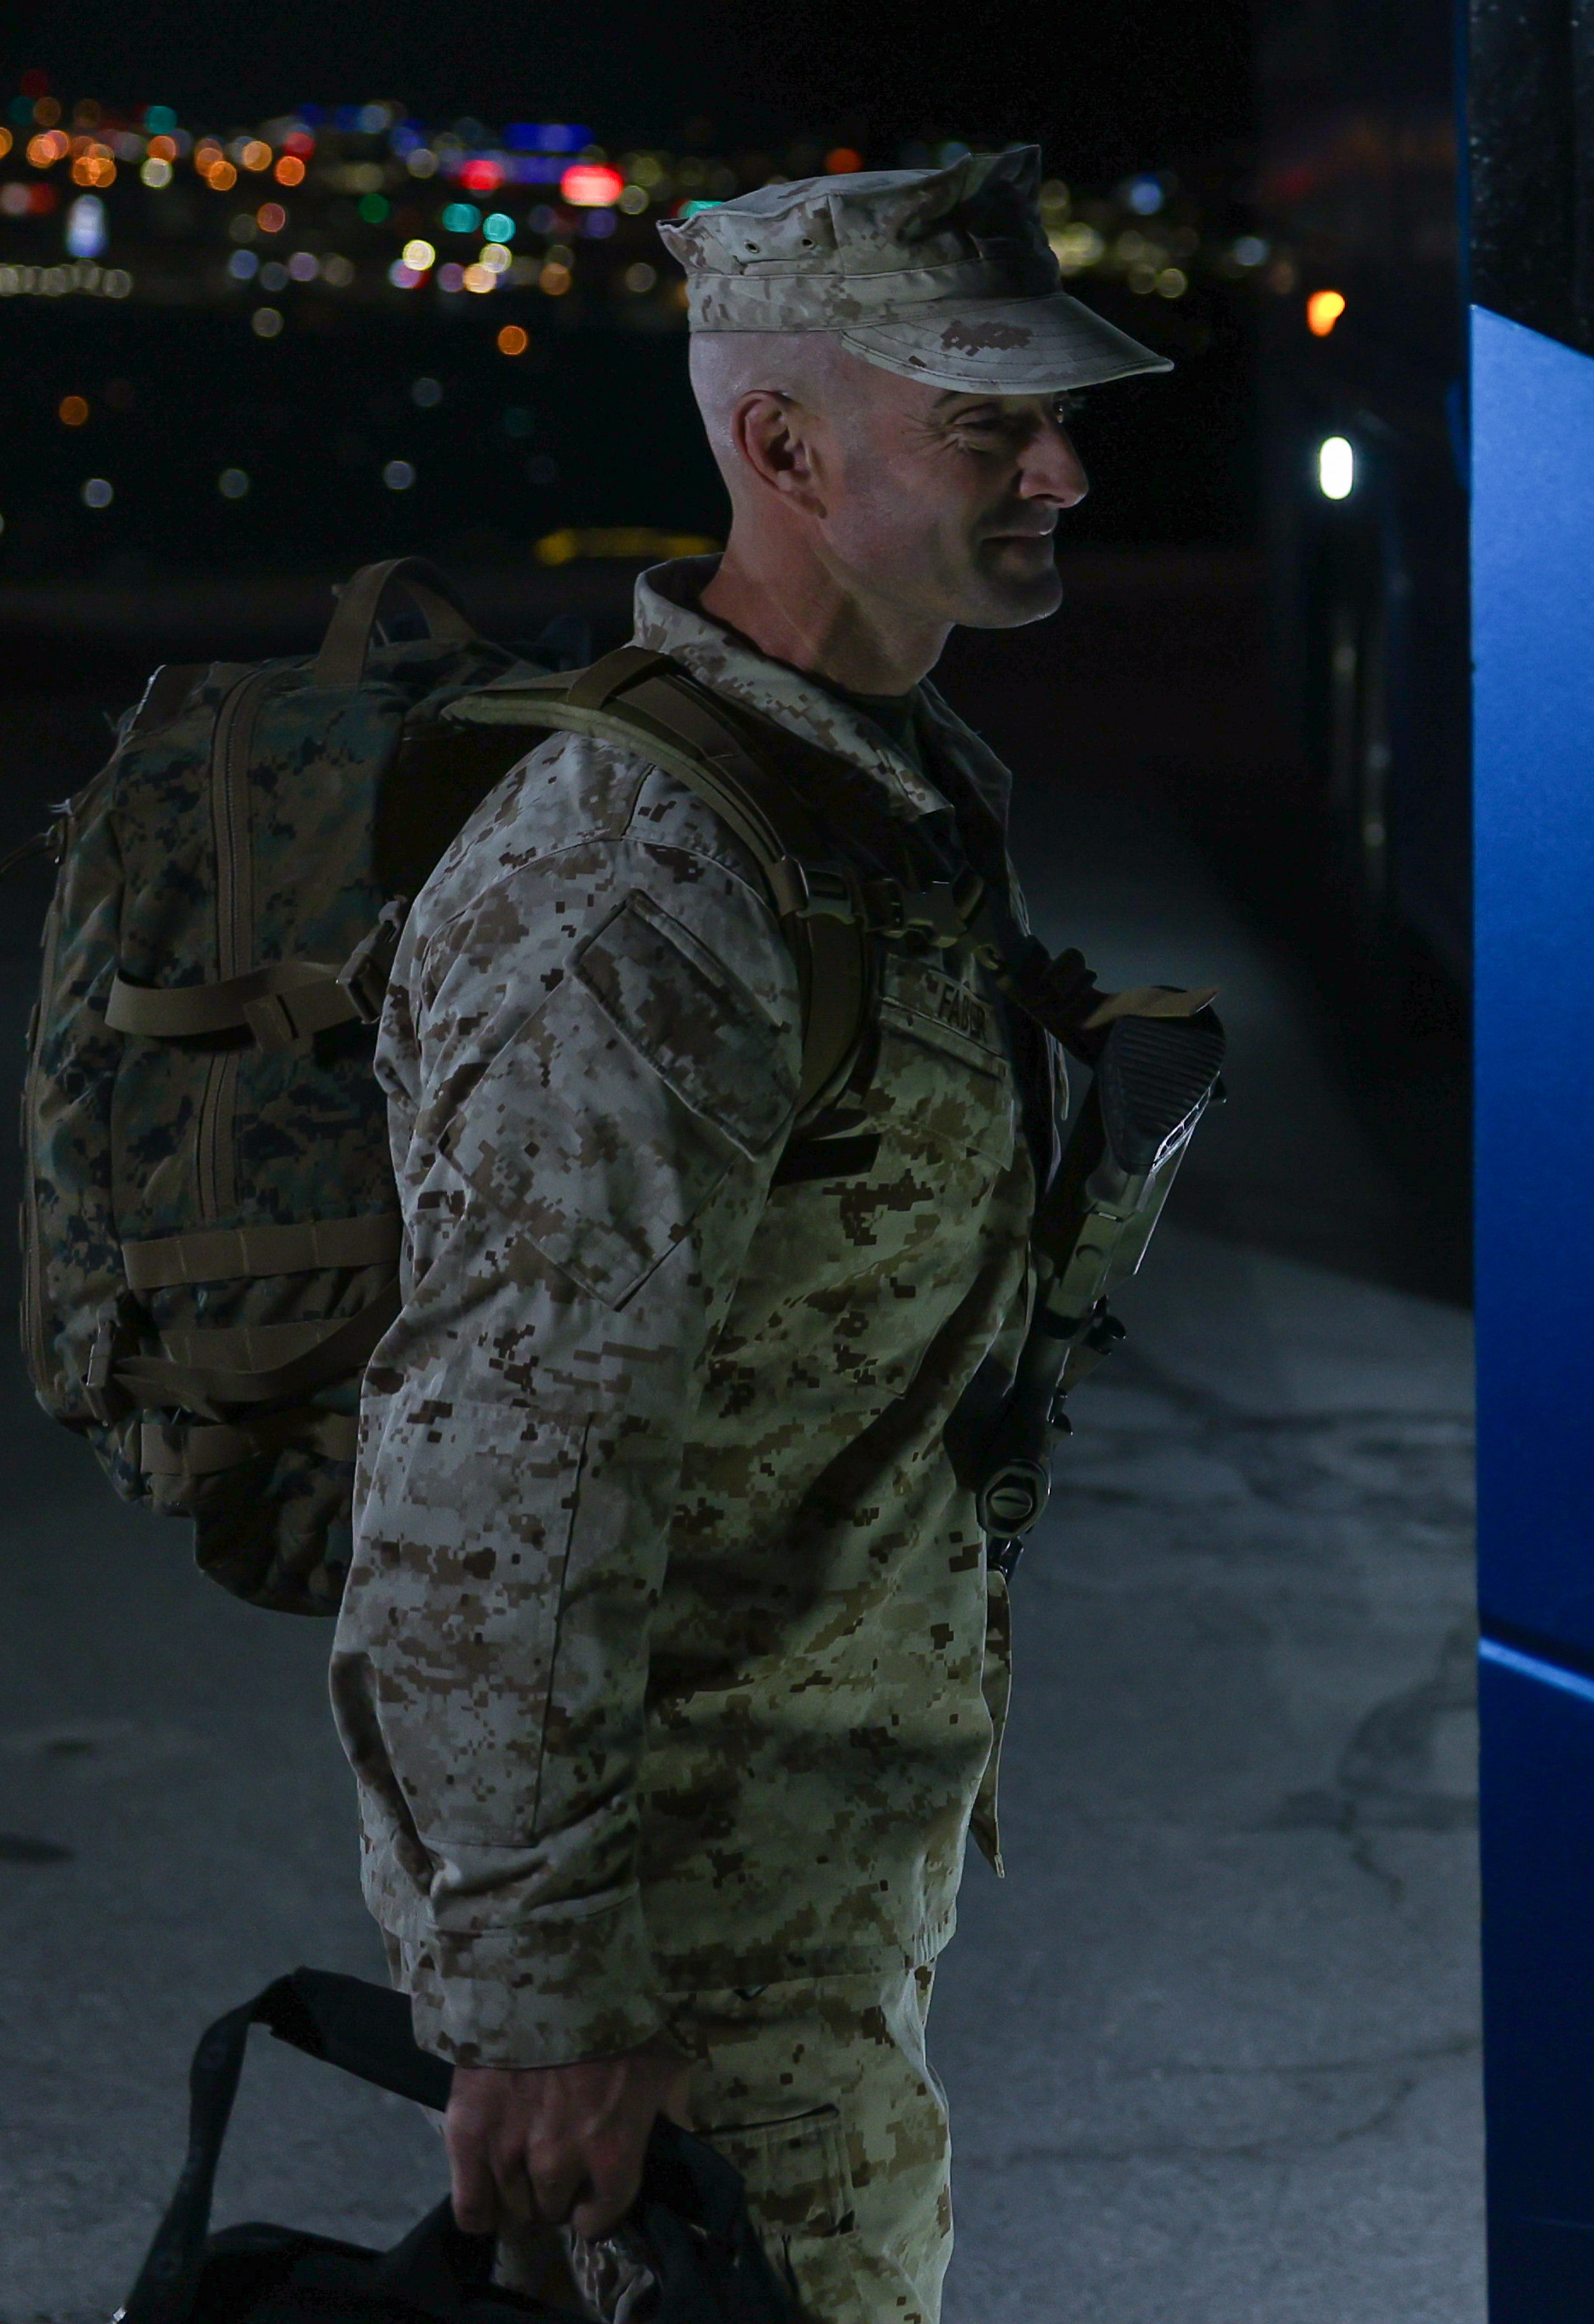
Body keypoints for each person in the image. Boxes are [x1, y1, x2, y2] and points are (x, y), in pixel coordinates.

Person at [324, 148, 1172, 2321]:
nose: (1063, 466)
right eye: (987, 423)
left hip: (814, 1887)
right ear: (783, 447)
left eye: (1056, 416)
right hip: (686, 1960)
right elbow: (493, 1468)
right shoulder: (638, 885)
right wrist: (538, 2001)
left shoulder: (868, 796)